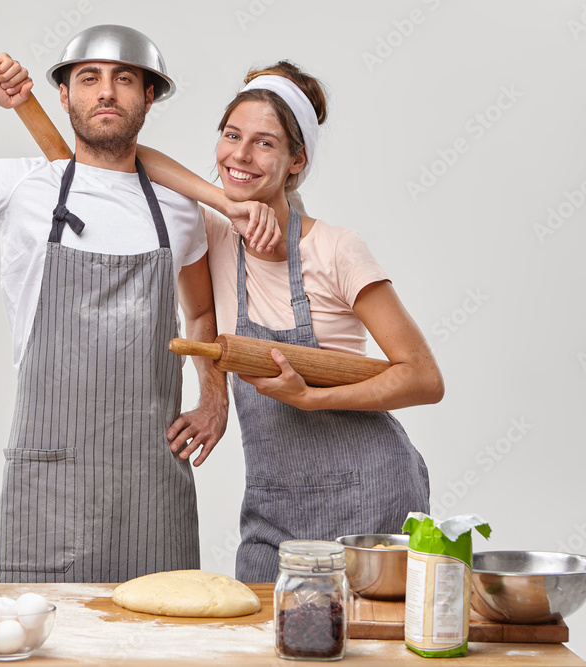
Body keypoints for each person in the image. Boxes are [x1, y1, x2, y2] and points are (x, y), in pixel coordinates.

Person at [0, 25, 274, 583]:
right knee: (40, 641)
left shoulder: (179, 207)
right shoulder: (22, 186)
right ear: (64, 96)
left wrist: (214, 399)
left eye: (124, 79)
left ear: (148, 97)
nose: (105, 92)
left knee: (161, 639)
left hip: (151, 479)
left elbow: (199, 316)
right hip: (51, 483)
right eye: (89, 78)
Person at [139, 61, 444, 582]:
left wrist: (312, 397)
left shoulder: (336, 249)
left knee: (367, 655)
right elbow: (137, 157)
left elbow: (422, 376)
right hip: (273, 505)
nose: (239, 154)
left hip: (367, 494)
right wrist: (214, 401)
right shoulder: (213, 233)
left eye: (264, 143)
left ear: (295, 160)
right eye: (232, 135)